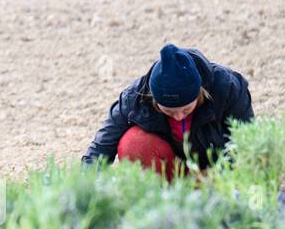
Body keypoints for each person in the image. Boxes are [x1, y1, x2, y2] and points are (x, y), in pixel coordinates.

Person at [83, 43, 253, 179]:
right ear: (154, 100)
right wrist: (83, 187)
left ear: (200, 91)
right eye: (169, 111)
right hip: (172, 171)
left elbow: (247, 143)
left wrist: (216, 176)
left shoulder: (229, 87)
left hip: (216, 173)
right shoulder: (135, 96)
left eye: (187, 109)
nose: (179, 117)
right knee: (132, 143)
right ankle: (169, 197)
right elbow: (101, 147)